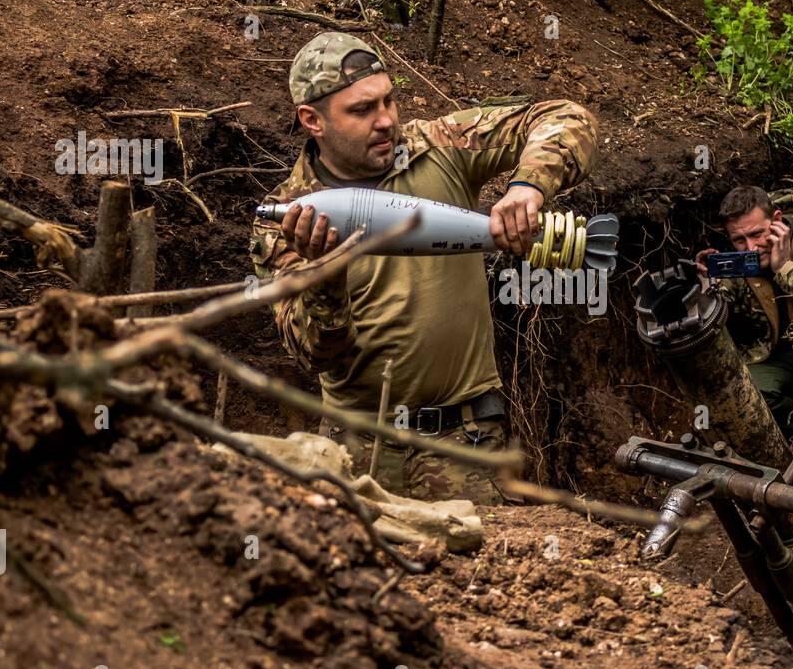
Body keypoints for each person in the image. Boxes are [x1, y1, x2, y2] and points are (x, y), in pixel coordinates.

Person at [251, 31, 599, 504]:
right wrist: (324, 276)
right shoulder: (289, 219)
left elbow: (565, 117)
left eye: (389, 101)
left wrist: (528, 187)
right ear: (313, 120)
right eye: (361, 110)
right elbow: (315, 356)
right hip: (356, 453)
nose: (386, 121)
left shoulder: (441, 145)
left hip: (467, 442)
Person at [696, 185, 793, 436]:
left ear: (777, 221)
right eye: (739, 240)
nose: (750, 248)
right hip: (779, 357)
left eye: (757, 234)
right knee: (748, 398)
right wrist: (709, 291)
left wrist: (785, 267)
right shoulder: (743, 261)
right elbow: (727, 317)